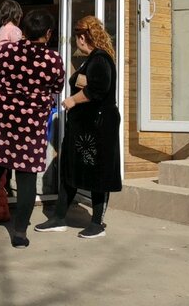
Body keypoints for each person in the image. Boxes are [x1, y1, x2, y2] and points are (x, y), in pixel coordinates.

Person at [0, 9, 65, 249]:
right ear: (48, 33)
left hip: (2, 122)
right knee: (26, 177)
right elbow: (59, 85)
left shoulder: (5, 51)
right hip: (31, 128)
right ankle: (20, 233)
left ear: (25, 30)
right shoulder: (53, 60)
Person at [35, 15, 121, 240]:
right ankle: (59, 217)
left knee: (98, 173)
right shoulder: (90, 59)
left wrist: (73, 100)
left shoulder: (101, 59)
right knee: (70, 170)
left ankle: (97, 223)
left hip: (98, 128)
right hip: (84, 128)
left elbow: (98, 89)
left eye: (77, 39)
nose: (76, 43)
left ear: (83, 37)